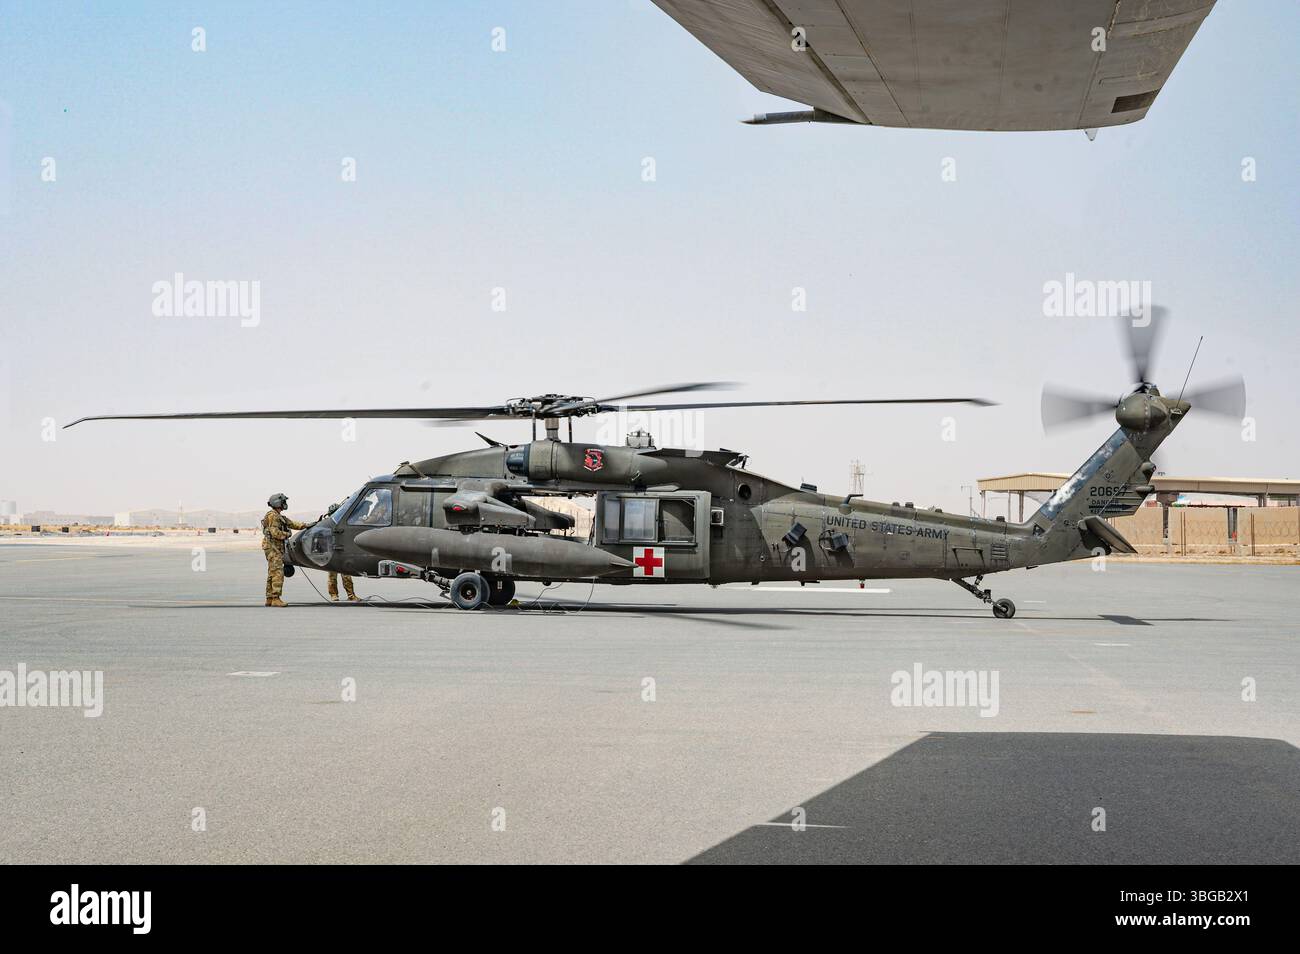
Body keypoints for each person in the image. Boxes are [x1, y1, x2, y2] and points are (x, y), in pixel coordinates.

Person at [262, 492, 308, 607]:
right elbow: (275, 533)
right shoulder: (273, 516)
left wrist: (305, 525)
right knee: (278, 572)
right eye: (283, 502)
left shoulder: (278, 516)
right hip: (273, 548)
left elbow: (291, 523)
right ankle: (276, 598)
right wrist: (287, 534)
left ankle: (269, 598)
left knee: (272, 572)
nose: (284, 504)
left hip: (273, 548)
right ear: (278, 503)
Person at [321, 502, 360, 602]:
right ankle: (334, 595)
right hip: (331, 554)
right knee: (332, 576)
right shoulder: (327, 525)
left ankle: (351, 595)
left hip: (342, 552)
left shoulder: (343, 524)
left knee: (346, 575)